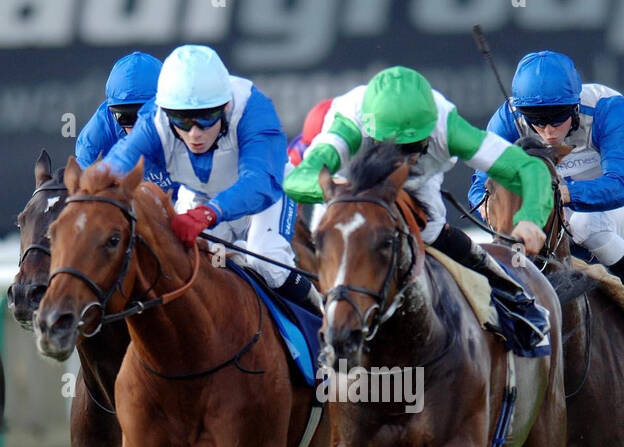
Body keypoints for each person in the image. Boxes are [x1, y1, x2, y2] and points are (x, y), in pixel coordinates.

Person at [284, 66, 553, 352]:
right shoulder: (349, 124)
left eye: (413, 145)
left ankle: (513, 299)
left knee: (432, 229)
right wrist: (337, 189)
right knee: (331, 239)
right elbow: (297, 178)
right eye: (394, 147)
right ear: (370, 132)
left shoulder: (447, 127)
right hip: (356, 184)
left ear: (430, 129)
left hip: (419, 184)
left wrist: (531, 218)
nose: (404, 159)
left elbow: (529, 167)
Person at [467, 50, 624, 352]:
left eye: (557, 117)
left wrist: (560, 193)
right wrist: (504, 213)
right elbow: (479, 188)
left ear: (575, 105)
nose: (547, 130)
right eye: (536, 120)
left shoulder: (608, 107)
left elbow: (620, 183)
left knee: (585, 225)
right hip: (545, 207)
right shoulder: (507, 118)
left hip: (615, 202)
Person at [102, 44, 316, 309]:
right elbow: (116, 163)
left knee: (266, 260)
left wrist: (209, 213)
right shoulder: (155, 119)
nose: (194, 133)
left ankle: (320, 316)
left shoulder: (253, 108)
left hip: (266, 195)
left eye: (206, 118)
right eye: (181, 120)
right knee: (181, 265)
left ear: (225, 107)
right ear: (167, 112)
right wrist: (84, 193)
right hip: (202, 195)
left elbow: (258, 182)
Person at [75, 51, 162, 179]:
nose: (139, 128)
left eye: (148, 116)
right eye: (126, 116)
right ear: (111, 111)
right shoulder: (94, 139)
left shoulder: (187, 125)